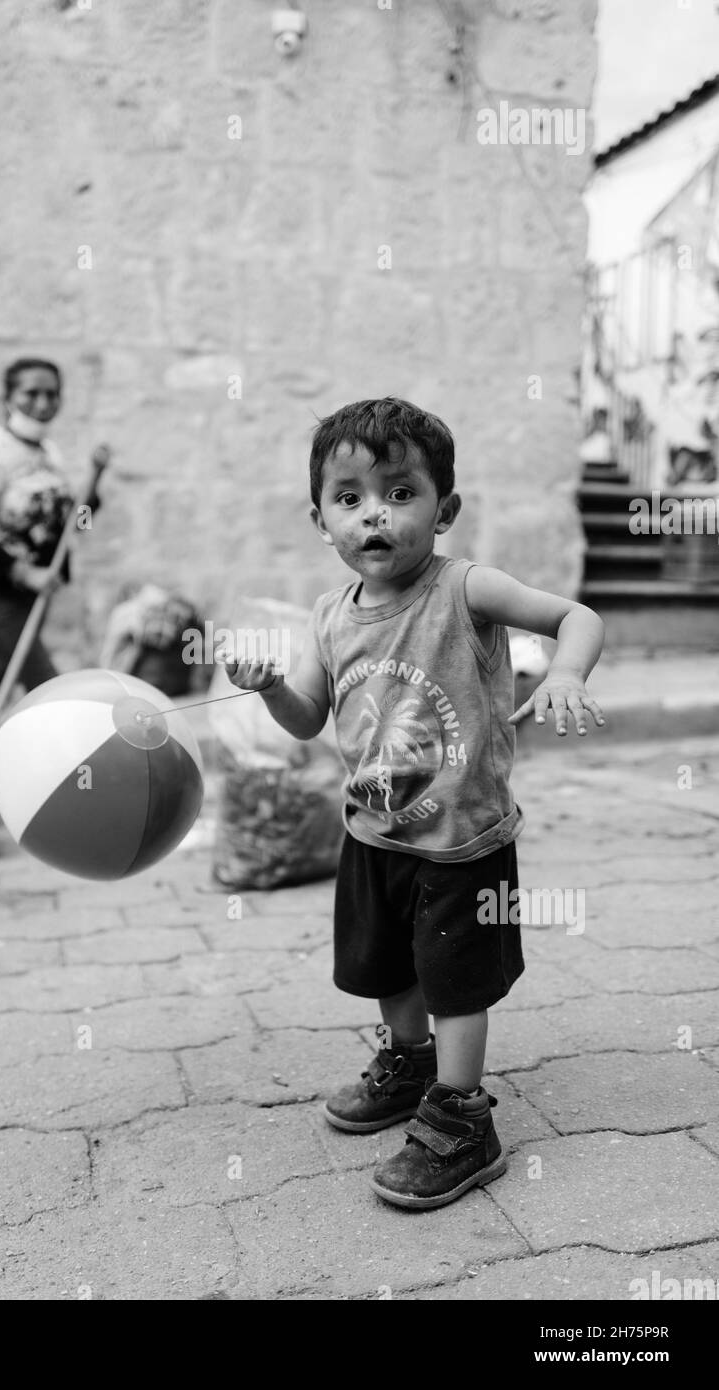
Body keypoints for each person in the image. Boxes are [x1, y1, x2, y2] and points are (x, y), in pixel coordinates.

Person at [223, 397, 605, 1210]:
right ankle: (411, 1063)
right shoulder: (328, 617)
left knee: (455, 981)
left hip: (463, 844)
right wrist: (267, 693)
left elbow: (577, 616)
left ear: (444, 511)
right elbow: (306, 719)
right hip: (374, 835)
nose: (376, 515)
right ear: (321, 519)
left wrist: (566, 672)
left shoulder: (466, 589)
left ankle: (465, 1119)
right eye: (351, 497)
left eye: (400, 493)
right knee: (386, 966)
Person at [0, 357, 108, 776]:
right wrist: (24, 571)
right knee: (47, 686)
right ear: (8, 397)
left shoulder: (49, 454)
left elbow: (71, 520)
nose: (42, 402)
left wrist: (94, 481)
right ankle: (80, 775)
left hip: (30, 600)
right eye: (30, 393)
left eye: (51, 393)